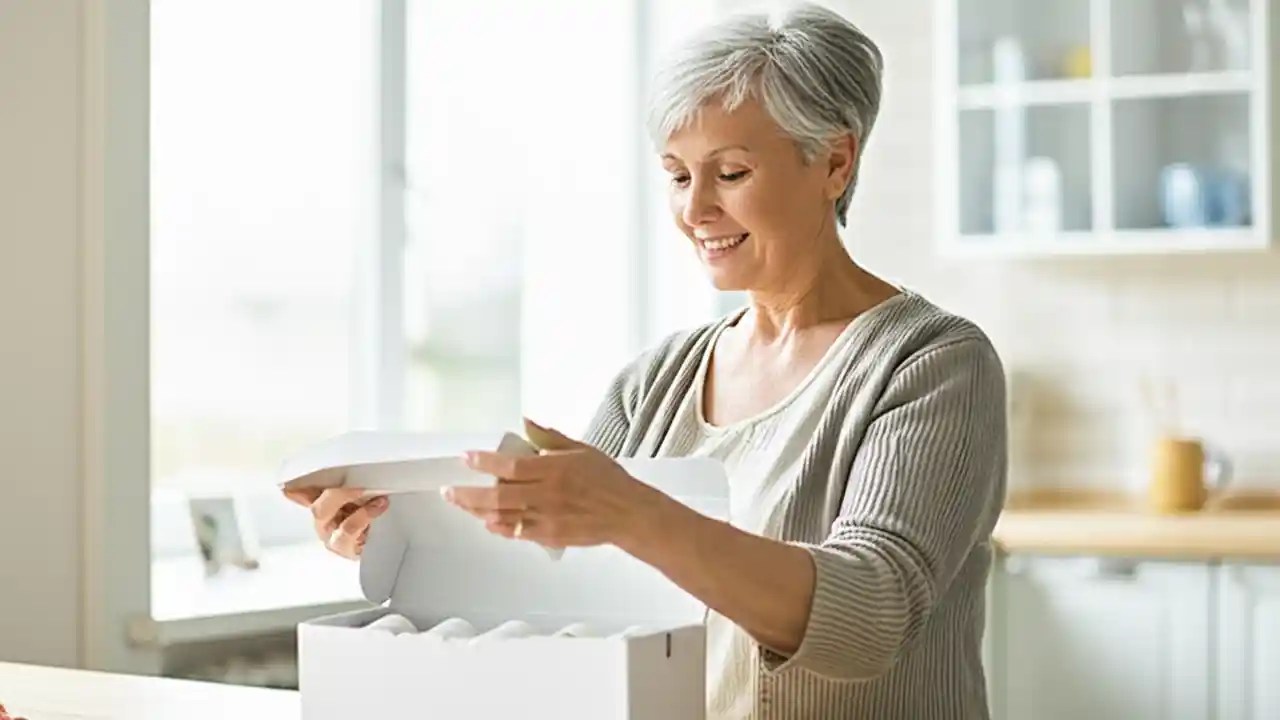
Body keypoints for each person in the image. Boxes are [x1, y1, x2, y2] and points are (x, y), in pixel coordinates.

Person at [285, 4, 1006, 718]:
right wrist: (407, 537)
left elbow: (869, 620)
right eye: (678, 175)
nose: (695, 212)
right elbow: (551, 579)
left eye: (730, 172)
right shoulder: (654, 384)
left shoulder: (933, 364)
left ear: (835, 161)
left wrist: (632, 511)